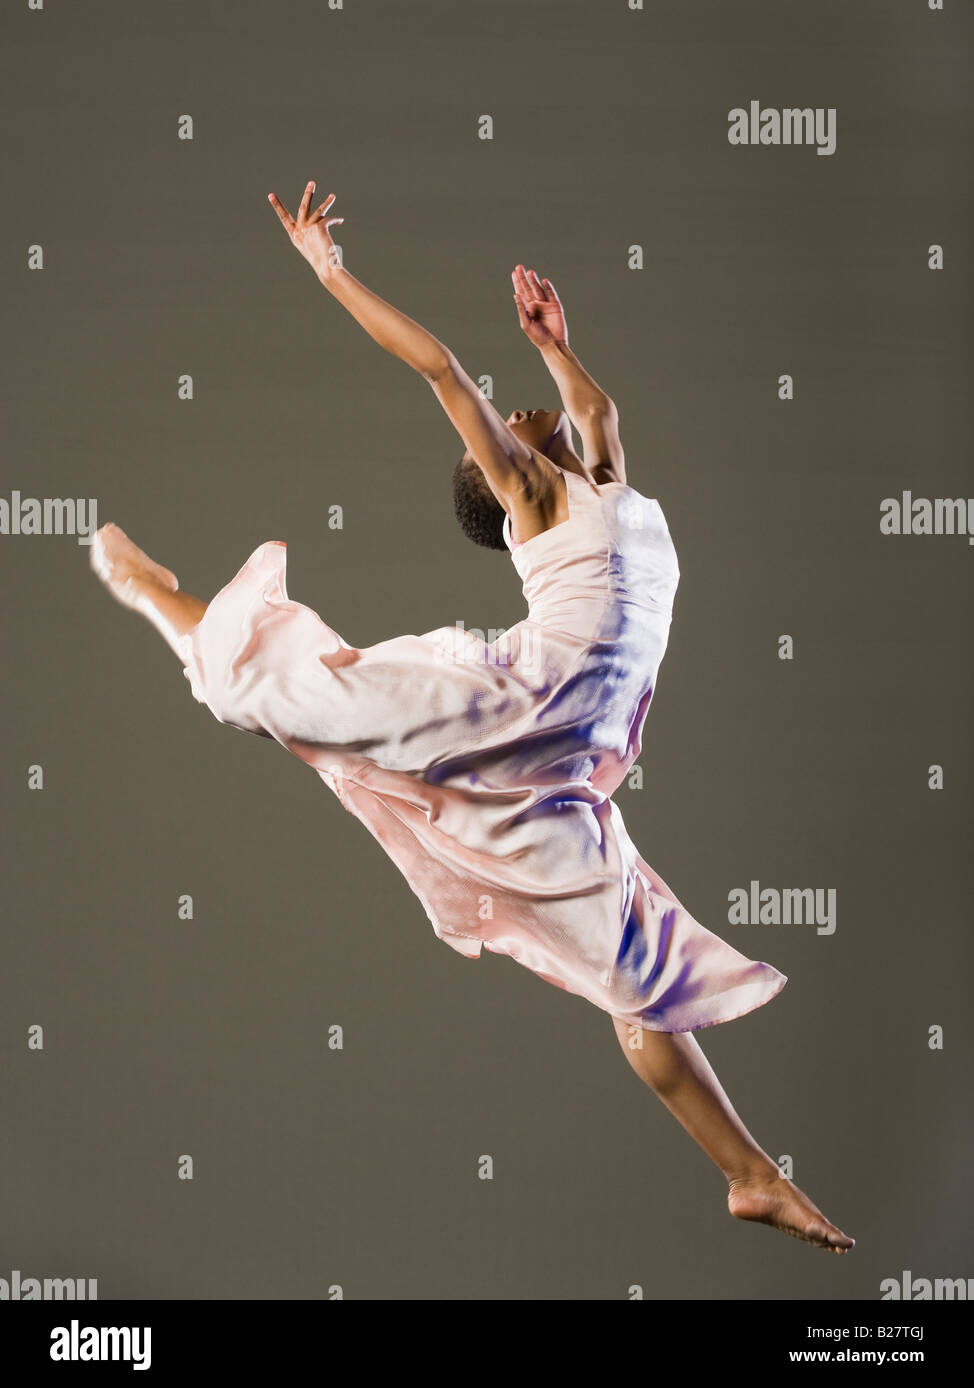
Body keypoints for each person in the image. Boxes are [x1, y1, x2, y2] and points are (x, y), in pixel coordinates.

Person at [90, 182, 854, 1253]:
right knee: (311, 689)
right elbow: (439, 368)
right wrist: (329, 271)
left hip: (568, 764)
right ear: (498, 476)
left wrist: (554, 343)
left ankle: (749, 1176)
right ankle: (164, 600)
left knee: (634, 973)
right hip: (510, 697)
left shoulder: (596, 480)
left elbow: (600, 415)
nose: (521, 414)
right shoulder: (534, 497)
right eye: (506, 429)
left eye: (526, 413)